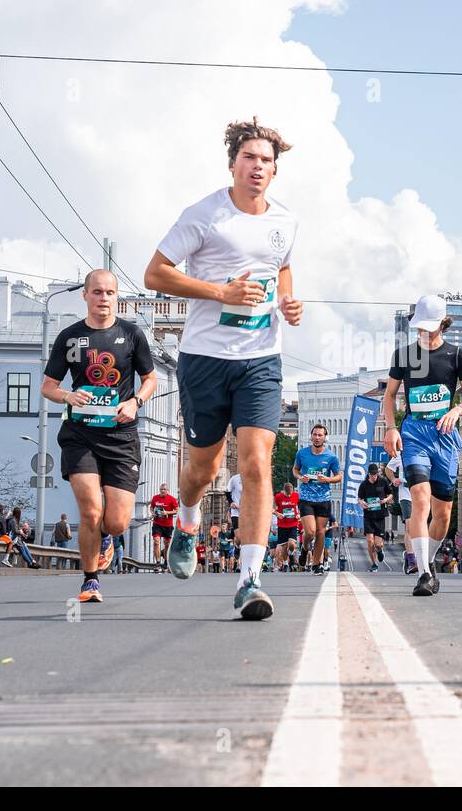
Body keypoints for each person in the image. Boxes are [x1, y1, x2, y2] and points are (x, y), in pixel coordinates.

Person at [144, 117, 302, 621]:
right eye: (250, 158)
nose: (258, 168)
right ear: (233, 162)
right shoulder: (205, 215)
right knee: (203, 469)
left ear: (275, 172)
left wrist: (290, 302)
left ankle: (250, 579)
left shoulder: (285, 221)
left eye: (267, 162)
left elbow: (281, 268)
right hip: (205, 358)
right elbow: (155, 274)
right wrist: (220, 293)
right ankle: (187, 524)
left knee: (256, 463)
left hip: (260, 358)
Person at [41, 268, 160, 603]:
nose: (103, 299)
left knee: (118, 522)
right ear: (85, 295)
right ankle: (90, 580)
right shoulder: (69, 336)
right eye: (97, 292)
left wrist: (135, 402)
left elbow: (151, 378)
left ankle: (108, 537)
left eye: (109, 293)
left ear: (116, 296)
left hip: (121, 436)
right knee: (91, 511)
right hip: (81, 435)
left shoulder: (132, 334)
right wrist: (68, 395)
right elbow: (48, 387)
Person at [381, 293, 462, 597]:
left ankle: (429, 560)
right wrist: (392, 428)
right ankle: (423, 573)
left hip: (445, 437)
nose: (424, 332)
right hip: (414, 434)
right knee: (420, 500)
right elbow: (389, 396)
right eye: (420, 327)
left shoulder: (457, 355)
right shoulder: (404, 355)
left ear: (442, 324)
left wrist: (456, 410)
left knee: (443, 513)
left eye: (429, 326)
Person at [294, 424, 342, 574]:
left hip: (323, 498)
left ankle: (317, 564)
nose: (316, 437)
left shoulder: (331, 457)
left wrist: (327, 479)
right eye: (314, 434)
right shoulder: (302, 453)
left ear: (325, 438)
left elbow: (339, 476)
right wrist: (301, 477)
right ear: (311, 436)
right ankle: (304, 548)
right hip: (306, 497)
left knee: (321, 532)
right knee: (310, 532)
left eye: (320, 435)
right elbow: (295, 470)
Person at [358, 462, 394, 571]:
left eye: (375, 475)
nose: (373, 477)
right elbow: (359, 498)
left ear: (377, 473)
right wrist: (361, 503)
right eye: (371, 475)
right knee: (370, 541)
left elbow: (391, 494)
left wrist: (385, 500)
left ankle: (379, 551)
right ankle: (374, 564)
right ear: (368, 474)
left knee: (378, 544)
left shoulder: (383, 481)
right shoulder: (364, 485)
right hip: (368, 516)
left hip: (380, 515)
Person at [385, 454, 416, 573]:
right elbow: (388, 469)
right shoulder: (401, 454)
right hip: (406, 494)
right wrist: (393, 479)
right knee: (409, 527)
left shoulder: (426, 449)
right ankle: (412, 561)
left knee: (419, 528)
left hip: (421, 494)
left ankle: (410, 556)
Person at [273, 481, 301, 572]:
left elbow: (301, 507)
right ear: (284, 491)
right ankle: (285, 563)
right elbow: (271, 508)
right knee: (284, 546)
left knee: (292, 544)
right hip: (282, 524)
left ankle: (291, 553)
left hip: (293, 523)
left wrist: (299, 515)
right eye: (287, 495)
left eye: (290, 494)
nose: (289, 496)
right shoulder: (278, 497)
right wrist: (277, 514)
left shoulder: (296, 495)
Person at [150, 483, 178, 573]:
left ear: (167, 490)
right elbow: (151, 507)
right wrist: (152, 513)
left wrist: (167, 513)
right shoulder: (155, 498)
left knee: (167, 544)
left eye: (164, 489)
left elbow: (177, 510)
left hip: (167, 525)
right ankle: (158, 563)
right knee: (156, 542)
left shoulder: (172, 499)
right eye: (161, 489)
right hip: (157, 524)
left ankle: (165, 562)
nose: (162, 491)